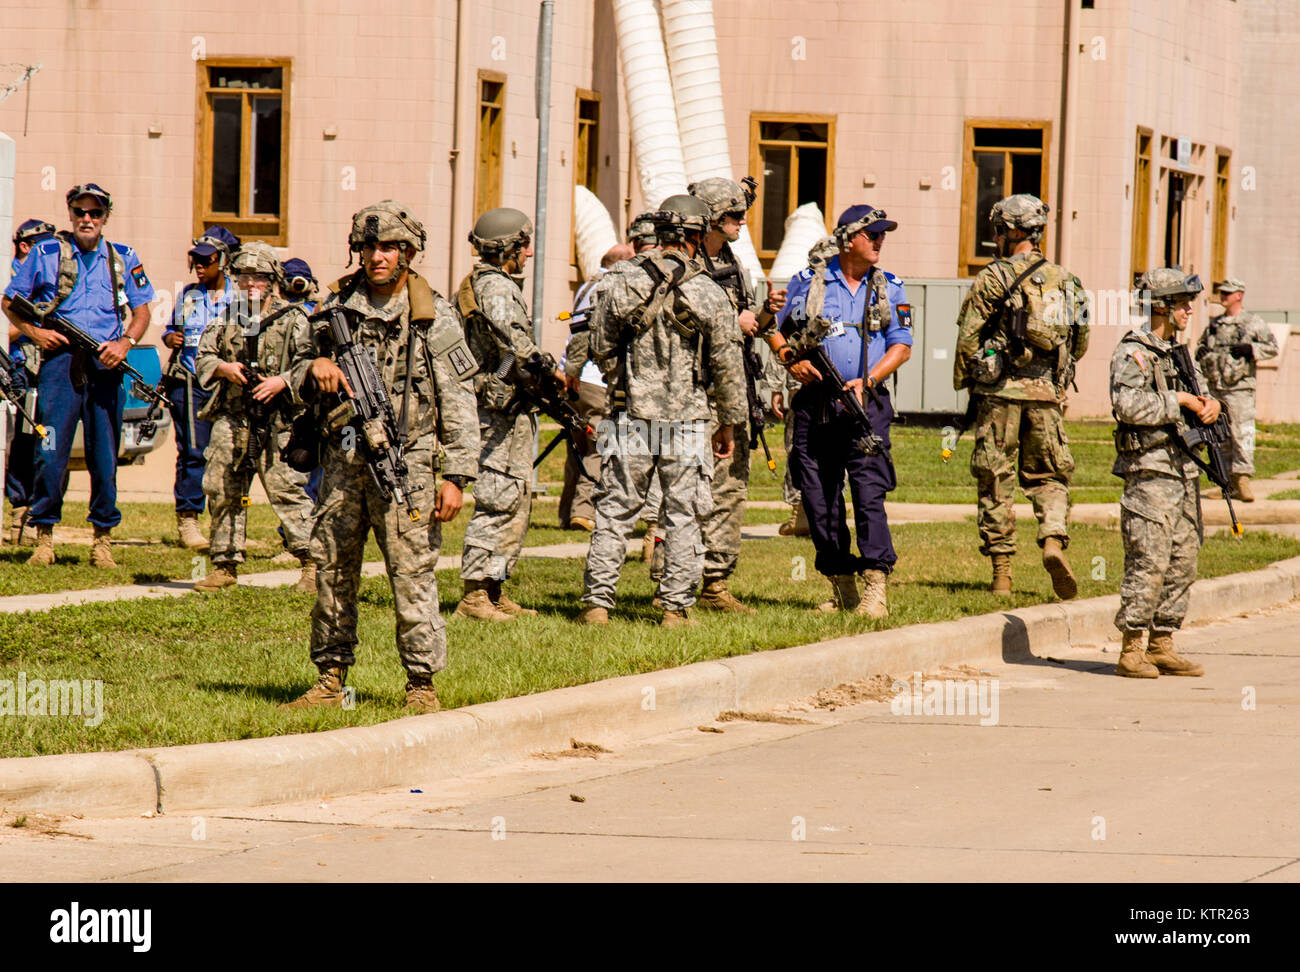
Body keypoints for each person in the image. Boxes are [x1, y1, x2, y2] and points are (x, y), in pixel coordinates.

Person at [282, 201, 480, 712]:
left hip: (406, 465)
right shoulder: (332, 309)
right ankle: (331, 680)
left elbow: (459, 400)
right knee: (332, 570)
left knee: (411, 575)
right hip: (343, 462)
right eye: (369, 246)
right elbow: (295, 368)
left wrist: (457, 475)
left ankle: (421, 684)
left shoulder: (431, 316)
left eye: (389, 247)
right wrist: (317, 366)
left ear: (408, 252)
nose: (377, 256)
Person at [577, 194, 746, 627]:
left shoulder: (619, 279)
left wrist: (625, 379)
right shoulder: (708, 290)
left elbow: (598, 347)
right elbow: (728, 365)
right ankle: (675, 608)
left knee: (615, 509)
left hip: (628, 413)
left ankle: (597, 604)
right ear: (696, 234)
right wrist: (728, 423)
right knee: (684, 512)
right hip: (688, 422)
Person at [1, 183, 155, 568]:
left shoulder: (122, 257)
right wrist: (36, 333)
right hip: (59, 365)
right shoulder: (47, 252)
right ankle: (44, 537)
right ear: (70, 213)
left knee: (104, 456)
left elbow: (142, 310)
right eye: (81, 212)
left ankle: (102, 539)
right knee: (50, 452)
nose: (87, 219)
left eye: (96, 213)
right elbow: (9, 301)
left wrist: (125, 343)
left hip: (105, 365)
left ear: (106, 216)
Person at [773, 205, 910, 616]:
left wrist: (867, 381)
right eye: (873, 235)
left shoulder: (888, 286)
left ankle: (875, 588)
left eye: (884, 234)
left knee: (869, 493)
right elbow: (777, 330)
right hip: (816, 405)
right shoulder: (810, 282)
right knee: (819, 497)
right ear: (849, 239)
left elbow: (901, 345)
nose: (880, 241)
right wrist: (789, 360)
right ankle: (842, 585)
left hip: (866, 405)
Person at [953, 193, 1089, 599]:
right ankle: (1051, 538)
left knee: (995, 477)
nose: (996, 237)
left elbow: (967, 337)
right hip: (1046, 393)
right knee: (1049, 474)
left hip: (999, 393)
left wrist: (969, 382)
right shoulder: (1067, 280)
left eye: (998, 230)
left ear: (1013, 231)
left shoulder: (992, 277)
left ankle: (1002, 575)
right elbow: (1080, 340)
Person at [685, 176, 787, 613]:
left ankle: (715, 584)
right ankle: (675, 583)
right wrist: (735, 321)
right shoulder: (684, 265)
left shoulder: (733, 264)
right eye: (732, 215)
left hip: (734, 392)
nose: (741, 222)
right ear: (708, 217)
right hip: (694, 395)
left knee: (731, 490)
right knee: (688, 490)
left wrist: (764, 314)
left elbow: (751, 329)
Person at [192, 242, 316, 593]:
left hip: (279, 422)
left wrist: (282, 381)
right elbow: (204, 356)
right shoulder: (227, 318)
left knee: (286, 490)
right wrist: (223, 369)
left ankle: (311, 564)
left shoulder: (294, 319)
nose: (249, 284)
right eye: (243, 276)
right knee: (222, 486)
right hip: (234, 417)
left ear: (273, 280)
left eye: (258, 277)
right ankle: (224, 564)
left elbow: (311, 363)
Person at [1110, 268, 1217, 678]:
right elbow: (1129, 407)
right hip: (1150, 471)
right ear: (1160, 306)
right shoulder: (1133, 352)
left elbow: (1202, 396)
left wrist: (1211, 406)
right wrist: (1181, 401)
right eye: (1181, 303)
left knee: (1183, 558)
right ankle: (1132, 647)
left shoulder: (1179, 353)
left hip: (1185, 472)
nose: (1189, 309)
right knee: (1148, 559)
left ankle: (1162, 642)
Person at [453, 207, 545, 621]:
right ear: (509, 247)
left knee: (514, 499)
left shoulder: (485, 284)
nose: (527, 253)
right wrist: (549, 371)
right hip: (498, 414)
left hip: (505, 409)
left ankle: (494, 589)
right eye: (523, 245)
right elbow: (515, 349)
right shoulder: (497, 289)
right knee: (498, 499)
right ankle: (475, 595)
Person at [163, 225, 240, 552]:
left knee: (229, 455)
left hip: (227, 385)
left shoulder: (242, 297)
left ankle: (225, 522)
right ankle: (189, 519)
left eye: (207, 260)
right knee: (194, 452)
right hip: (191, 382)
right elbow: (171, 331)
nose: (199, 265)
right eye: (195, 259)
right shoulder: (189, 295)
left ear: (223, 261)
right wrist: (171, 338)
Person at [560, 242, 634, 532]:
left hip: (574, 379)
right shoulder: (609, 287)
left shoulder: (585, 286)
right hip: (595, 378)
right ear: (619, 264)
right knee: (598, 446)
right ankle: (584, 511)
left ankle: (566, 512)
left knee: (576, 446)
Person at [1194, 278, 1278, 502]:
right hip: (1216, 388)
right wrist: (1201, 353)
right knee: (1220, 436)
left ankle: (1242, 478)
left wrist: (1251, 349)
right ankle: (1226, 482)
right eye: (1221, 292)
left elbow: (1272, 347)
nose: (1223, 296)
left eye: (1228, 293)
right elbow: (1201, 347)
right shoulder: (1215, 324)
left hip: (1239, 389)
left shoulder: (1252, 322)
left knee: (1242, 433)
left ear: (1239, 295)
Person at [6, 219, 56, 545]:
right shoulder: (11, 279)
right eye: (42, 243)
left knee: (47, 442)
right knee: (24, 443)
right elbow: (7, 328)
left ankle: (38, 515)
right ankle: (18, 514)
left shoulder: (46, 280)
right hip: (18, 373)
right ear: (25, 246)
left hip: (45, 371)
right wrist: (35, 326)